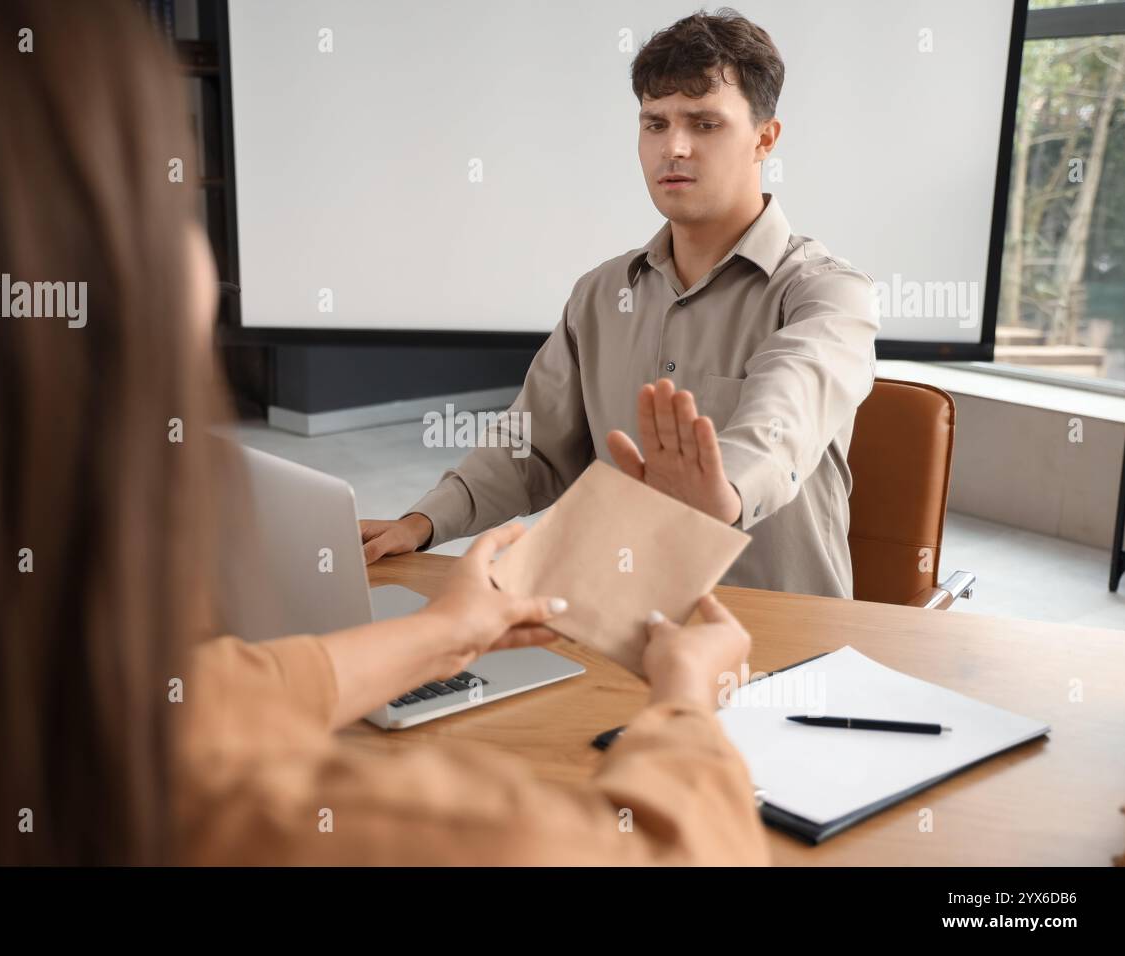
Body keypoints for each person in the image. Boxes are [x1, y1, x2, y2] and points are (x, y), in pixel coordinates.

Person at [0, 0, 768, 866]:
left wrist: (442, 637)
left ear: (764, 139)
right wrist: (687, 705)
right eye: (165, 209)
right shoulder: (258, 817)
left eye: (702, 123)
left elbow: (193, 710)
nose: (201, 265)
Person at [363, 9, 880, 599]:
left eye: (705, 124)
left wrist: (724, 490)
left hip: (778, 641)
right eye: (655, 124)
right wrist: (423, 522)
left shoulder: (829, 293)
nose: (674, 148)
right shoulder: (602, 294)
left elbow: (784, 417)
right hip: (615, 618)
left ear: (765, 138)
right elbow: (531, 447)